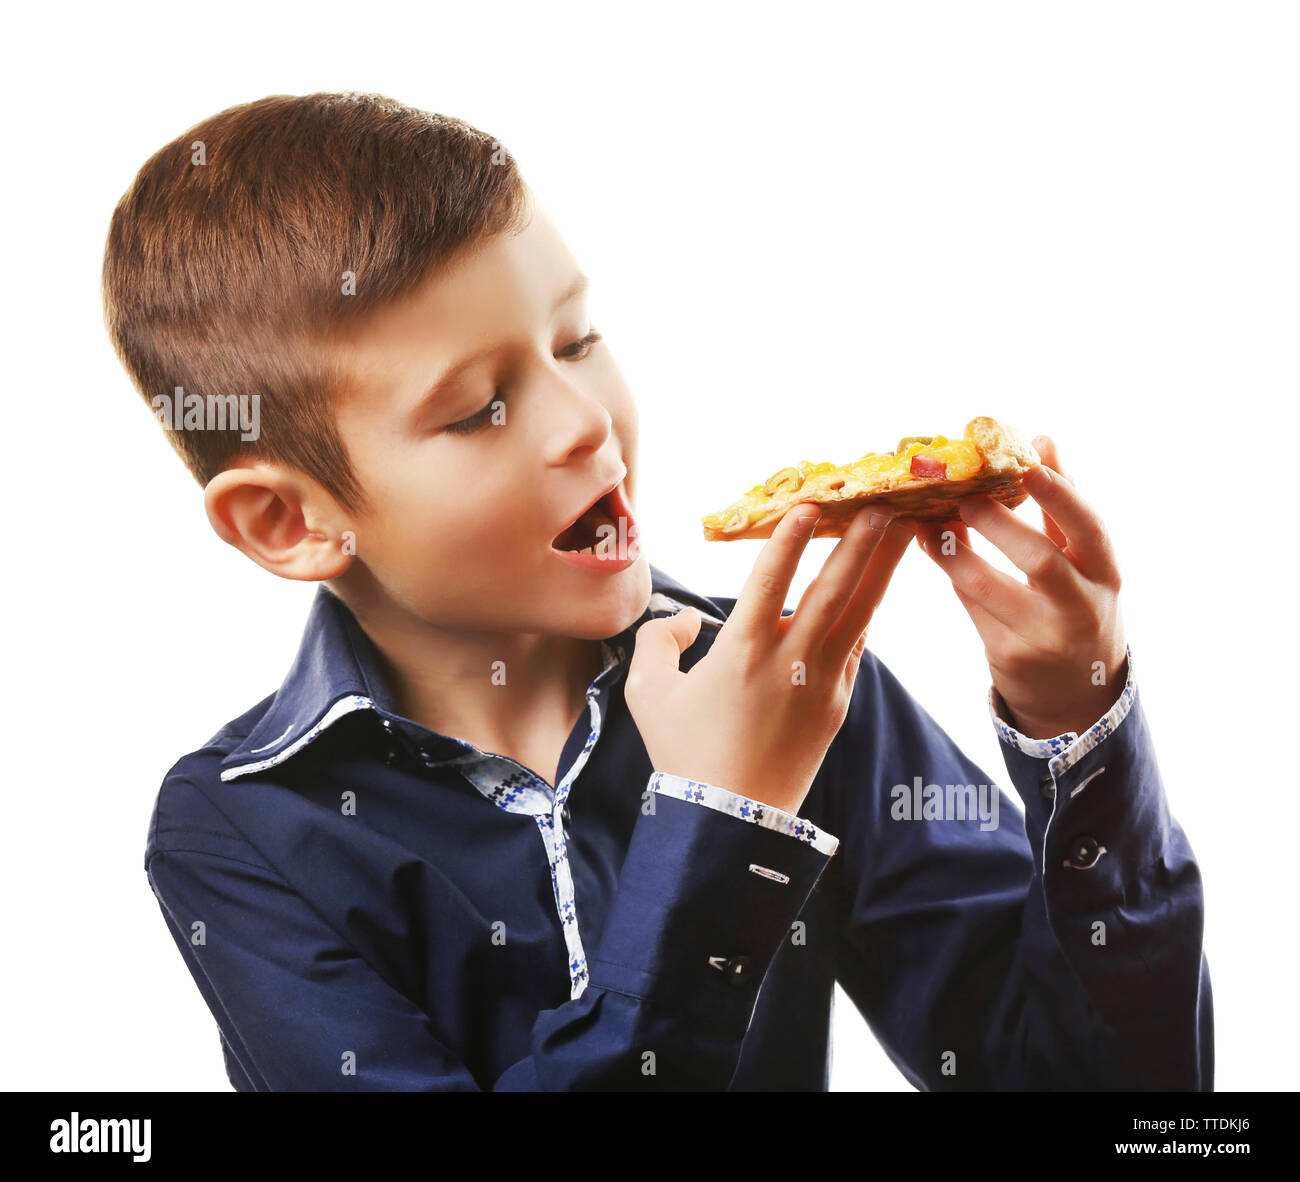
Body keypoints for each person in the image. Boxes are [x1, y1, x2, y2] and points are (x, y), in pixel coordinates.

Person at [103, 91, 1211, 1090]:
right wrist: (722, 827)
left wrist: (1077, 721)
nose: (586, 423)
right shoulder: (241, 833)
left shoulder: (795, 690)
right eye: (478, 407)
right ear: (290, 522)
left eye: (577, 340)